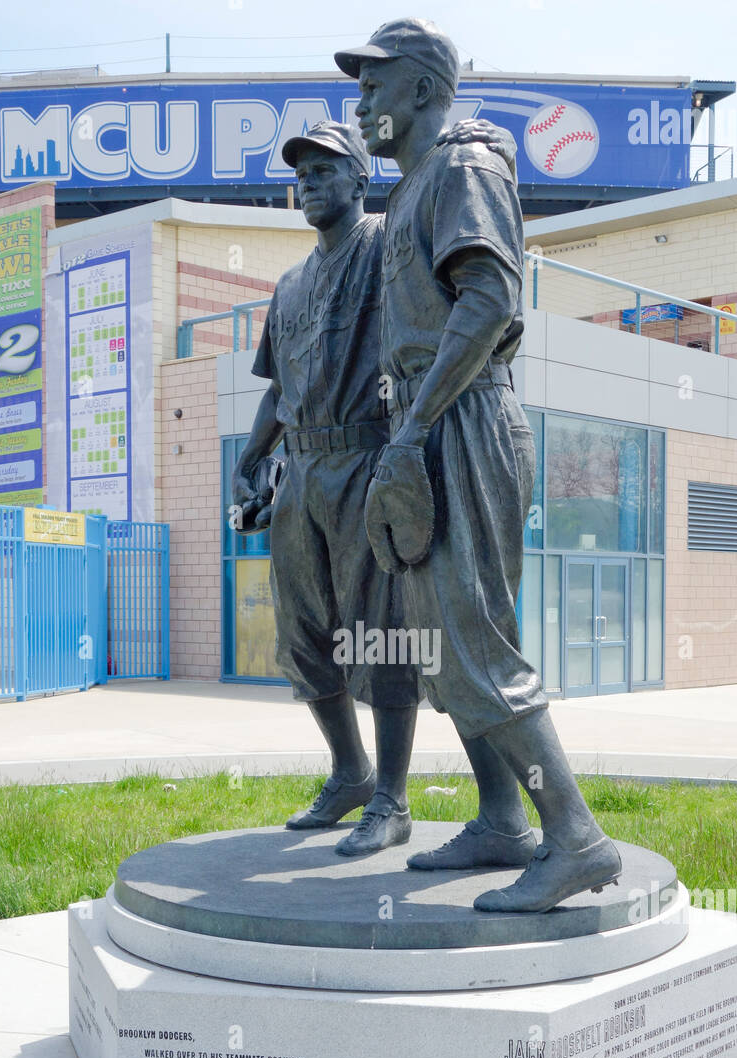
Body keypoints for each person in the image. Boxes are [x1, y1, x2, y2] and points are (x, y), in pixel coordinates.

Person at [334, 19, 623, 910]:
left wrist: (413, 434)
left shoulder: (460, 166)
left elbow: (491, 299)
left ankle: (575, 839)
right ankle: (503, 818)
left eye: (376, 84)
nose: (362, 101)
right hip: (430, 418)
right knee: (437, 650)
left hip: (461, 418)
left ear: (423, 89)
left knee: (474, 645)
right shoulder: (417, 182)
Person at [232, 117, 532, 862]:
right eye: (300, 172)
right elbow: (276, 389)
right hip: (302, 471)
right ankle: (350, 775)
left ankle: (394, 801)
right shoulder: (290, 281)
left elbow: (464, 302)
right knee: (305, 638)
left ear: (360, 178)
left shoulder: (386, 244)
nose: (309, 182)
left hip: (372, 455)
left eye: (325, 169)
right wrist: (251, 459)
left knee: (384, 632)